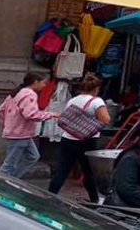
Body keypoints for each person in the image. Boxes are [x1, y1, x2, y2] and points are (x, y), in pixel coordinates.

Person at [48, 73, 111, 202]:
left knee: (62, 170)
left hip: (68, 138)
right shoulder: (96, 101)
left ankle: (50, 195)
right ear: (96, 88)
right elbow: (106, 119)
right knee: (88, 171)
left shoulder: (73, 100)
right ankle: (94, 199)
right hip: (87, 140)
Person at [0, 71, 58, 178]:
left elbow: (0, 111)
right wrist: (50, 114)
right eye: (43, 83)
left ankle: (13, 178)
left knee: (33, 156)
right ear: (35, 82)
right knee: (10, 164)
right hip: (20, 133)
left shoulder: (15, 93)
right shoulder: (29, 94)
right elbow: (31, 114)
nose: (44, 86)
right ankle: (2, 182)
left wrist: (7, 125)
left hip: (18, 132)